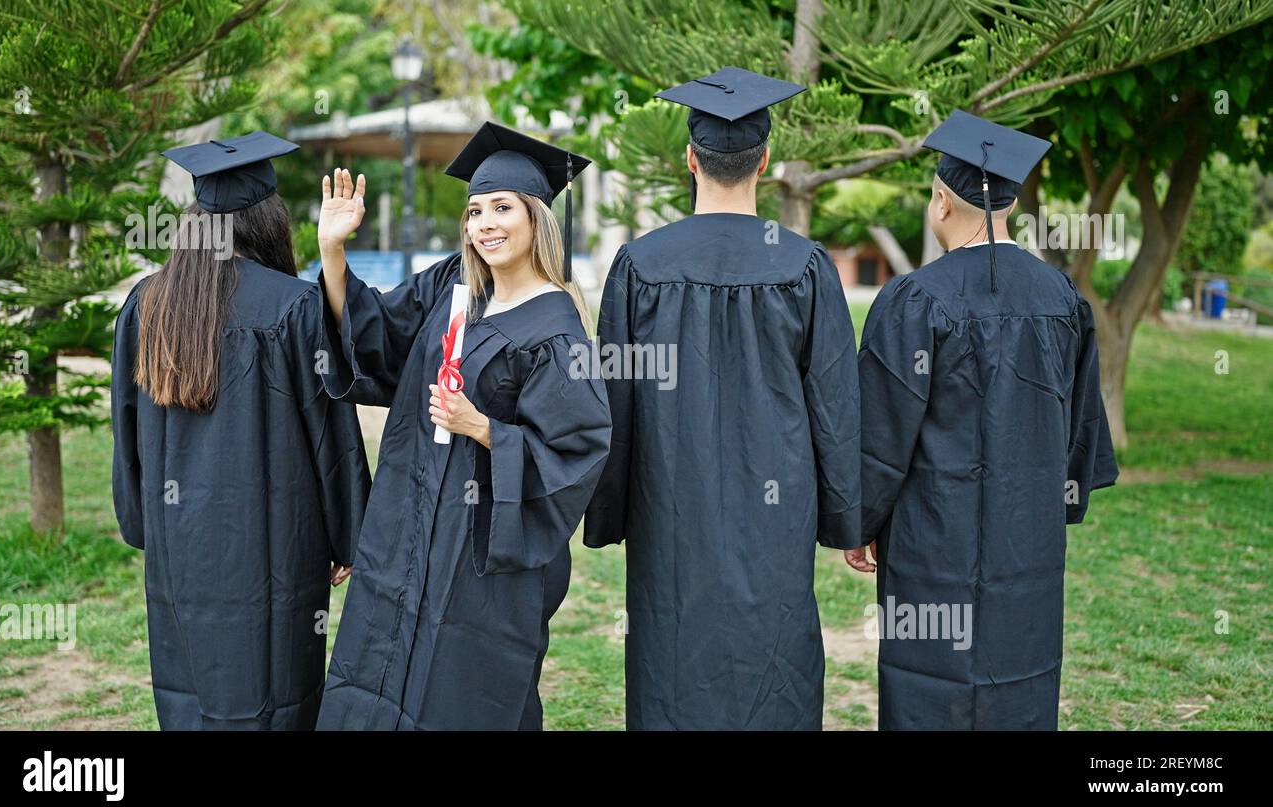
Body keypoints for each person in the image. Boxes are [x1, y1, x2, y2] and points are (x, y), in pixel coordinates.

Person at [584, 67, 864, 730]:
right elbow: (835, 401)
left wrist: (609, 510)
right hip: (778, 506)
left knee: (673, 653)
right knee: (773, 644)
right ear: (764, 161)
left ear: (689, 159)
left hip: (668, 506)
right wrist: (850, 518)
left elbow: (613, 404)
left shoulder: (640, 264)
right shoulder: (802, 264)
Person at [313, 122, 612, 730]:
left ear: (536, 219)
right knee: (375, 673)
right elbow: (373, 334)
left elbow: (577, 452)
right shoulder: (453, 290)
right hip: (405, 531)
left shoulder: (557, 333)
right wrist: (333, 250)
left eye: (502, 208)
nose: (485, 224)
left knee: (459, 693)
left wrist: (485, 430)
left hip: (480, 559)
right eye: (475, 211)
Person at [845, 109, 1119, 730]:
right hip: (1029, 543)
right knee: (1020, 677)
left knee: (930, 683)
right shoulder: (1063, 300)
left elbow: (883, 435)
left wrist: (861, 520)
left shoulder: (914, 300)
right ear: (1012, 206)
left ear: (941, 202)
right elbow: (1080, 429)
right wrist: (1060, 505)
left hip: (928, 544)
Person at [111, 131, 371, 730]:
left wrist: (143, 520)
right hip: (278, 549)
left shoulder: (145, 305)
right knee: (273, 691)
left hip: (180, 548)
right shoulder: (294, 308)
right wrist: (345, 533)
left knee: (188, 692)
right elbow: (330, 433)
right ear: (269, 221)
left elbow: (127, 436)